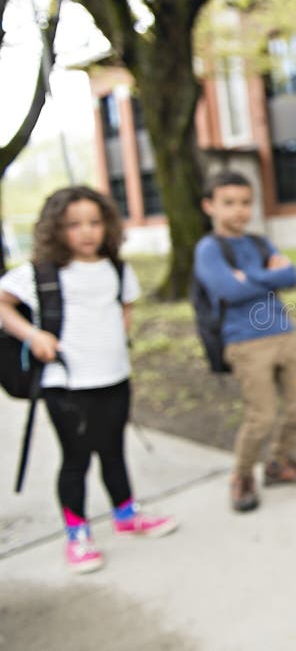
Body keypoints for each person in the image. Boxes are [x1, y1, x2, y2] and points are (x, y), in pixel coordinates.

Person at [0, 186, 177, 575]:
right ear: (54, 228)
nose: (86, 232)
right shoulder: (38, 274)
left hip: (114, 379)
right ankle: (77, 534)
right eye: (73, 224)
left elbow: (124, 306)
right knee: (76, 459)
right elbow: (3, 305)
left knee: (114, 451)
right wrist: (33, 336)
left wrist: (117, 340)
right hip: (65, 385)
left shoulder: (117, 268)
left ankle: (126, 516)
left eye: (95, 223)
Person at [194, 171, 296, 513]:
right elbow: (228, 289)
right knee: (262, 416)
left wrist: (251, 278)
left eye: (245, 202)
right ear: (209, 206)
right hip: (245, 342)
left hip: (283, 334)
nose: (239, 211)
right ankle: (242, 475)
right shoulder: (209, 248)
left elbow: (291, 275)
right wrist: (268, 276)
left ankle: (279, 462)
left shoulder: (259, 242)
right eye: (228, 203)